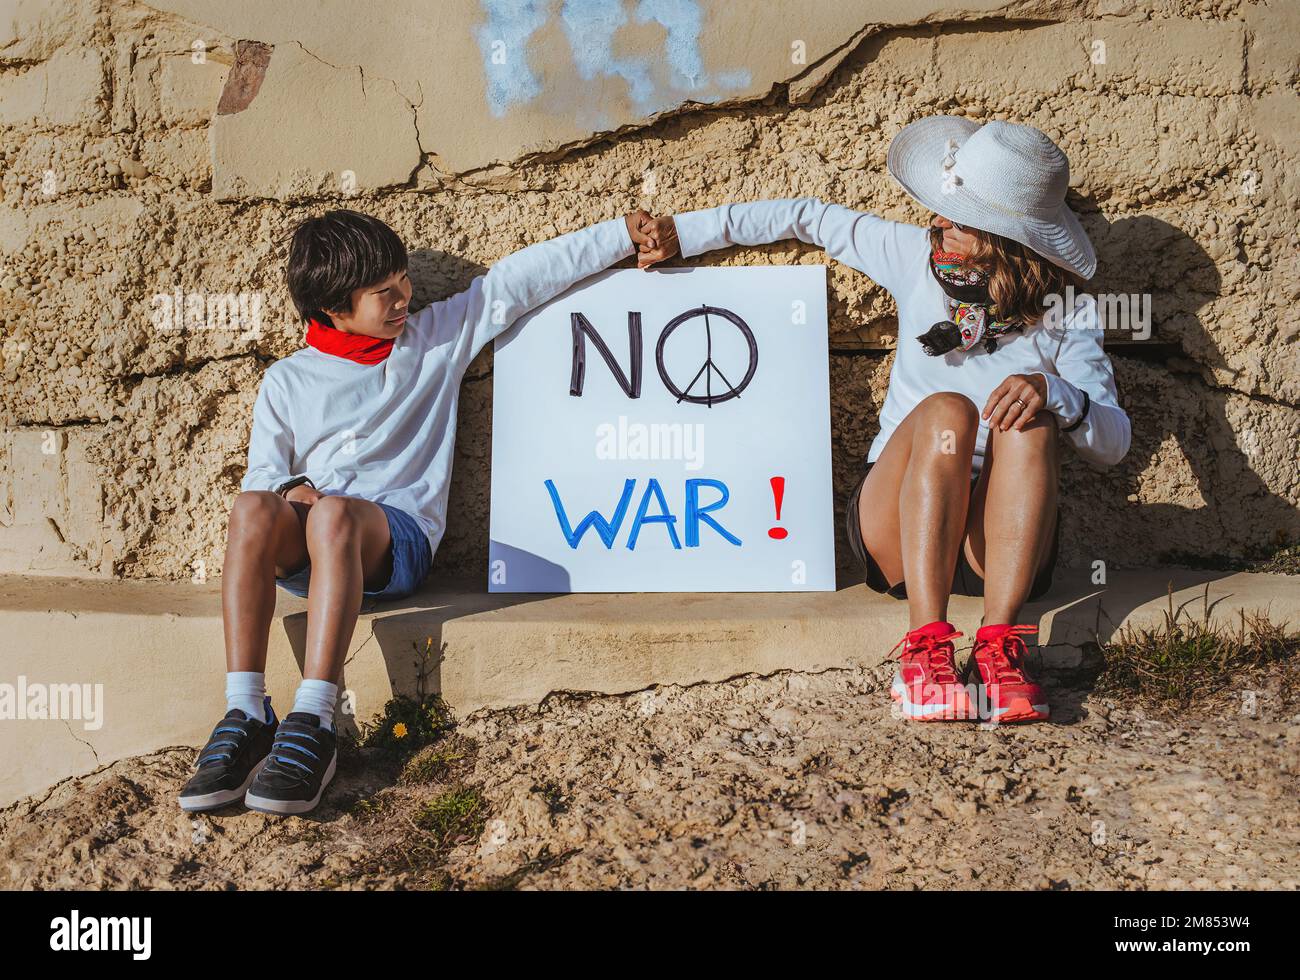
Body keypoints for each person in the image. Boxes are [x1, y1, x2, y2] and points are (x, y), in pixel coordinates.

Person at [636, 117, 1131, 723]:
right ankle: (927, 649)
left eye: (960, 216)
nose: (938, 222)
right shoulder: (913, 258)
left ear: (1008, 237)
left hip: (995, 550)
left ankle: (1002, 648)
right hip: (901, 529)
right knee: (950, 411)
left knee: (1034, 420)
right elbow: (809, 216)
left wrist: (1057, 393)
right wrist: (684, 233)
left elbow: (1112, 442)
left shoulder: (1067, 312)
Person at [179, 208, 656, 814]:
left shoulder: (433, 339)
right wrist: (292, 490)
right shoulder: (288, 380)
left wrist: (618, 234)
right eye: (384, 293)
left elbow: (518, 280)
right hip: (313, 552)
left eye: (403, 281)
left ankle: (315, 718)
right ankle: (246, 712)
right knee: (251, 507)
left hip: (393, 545)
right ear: (333, 308)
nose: (405, 298)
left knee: (336, 517)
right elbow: (266, 475)